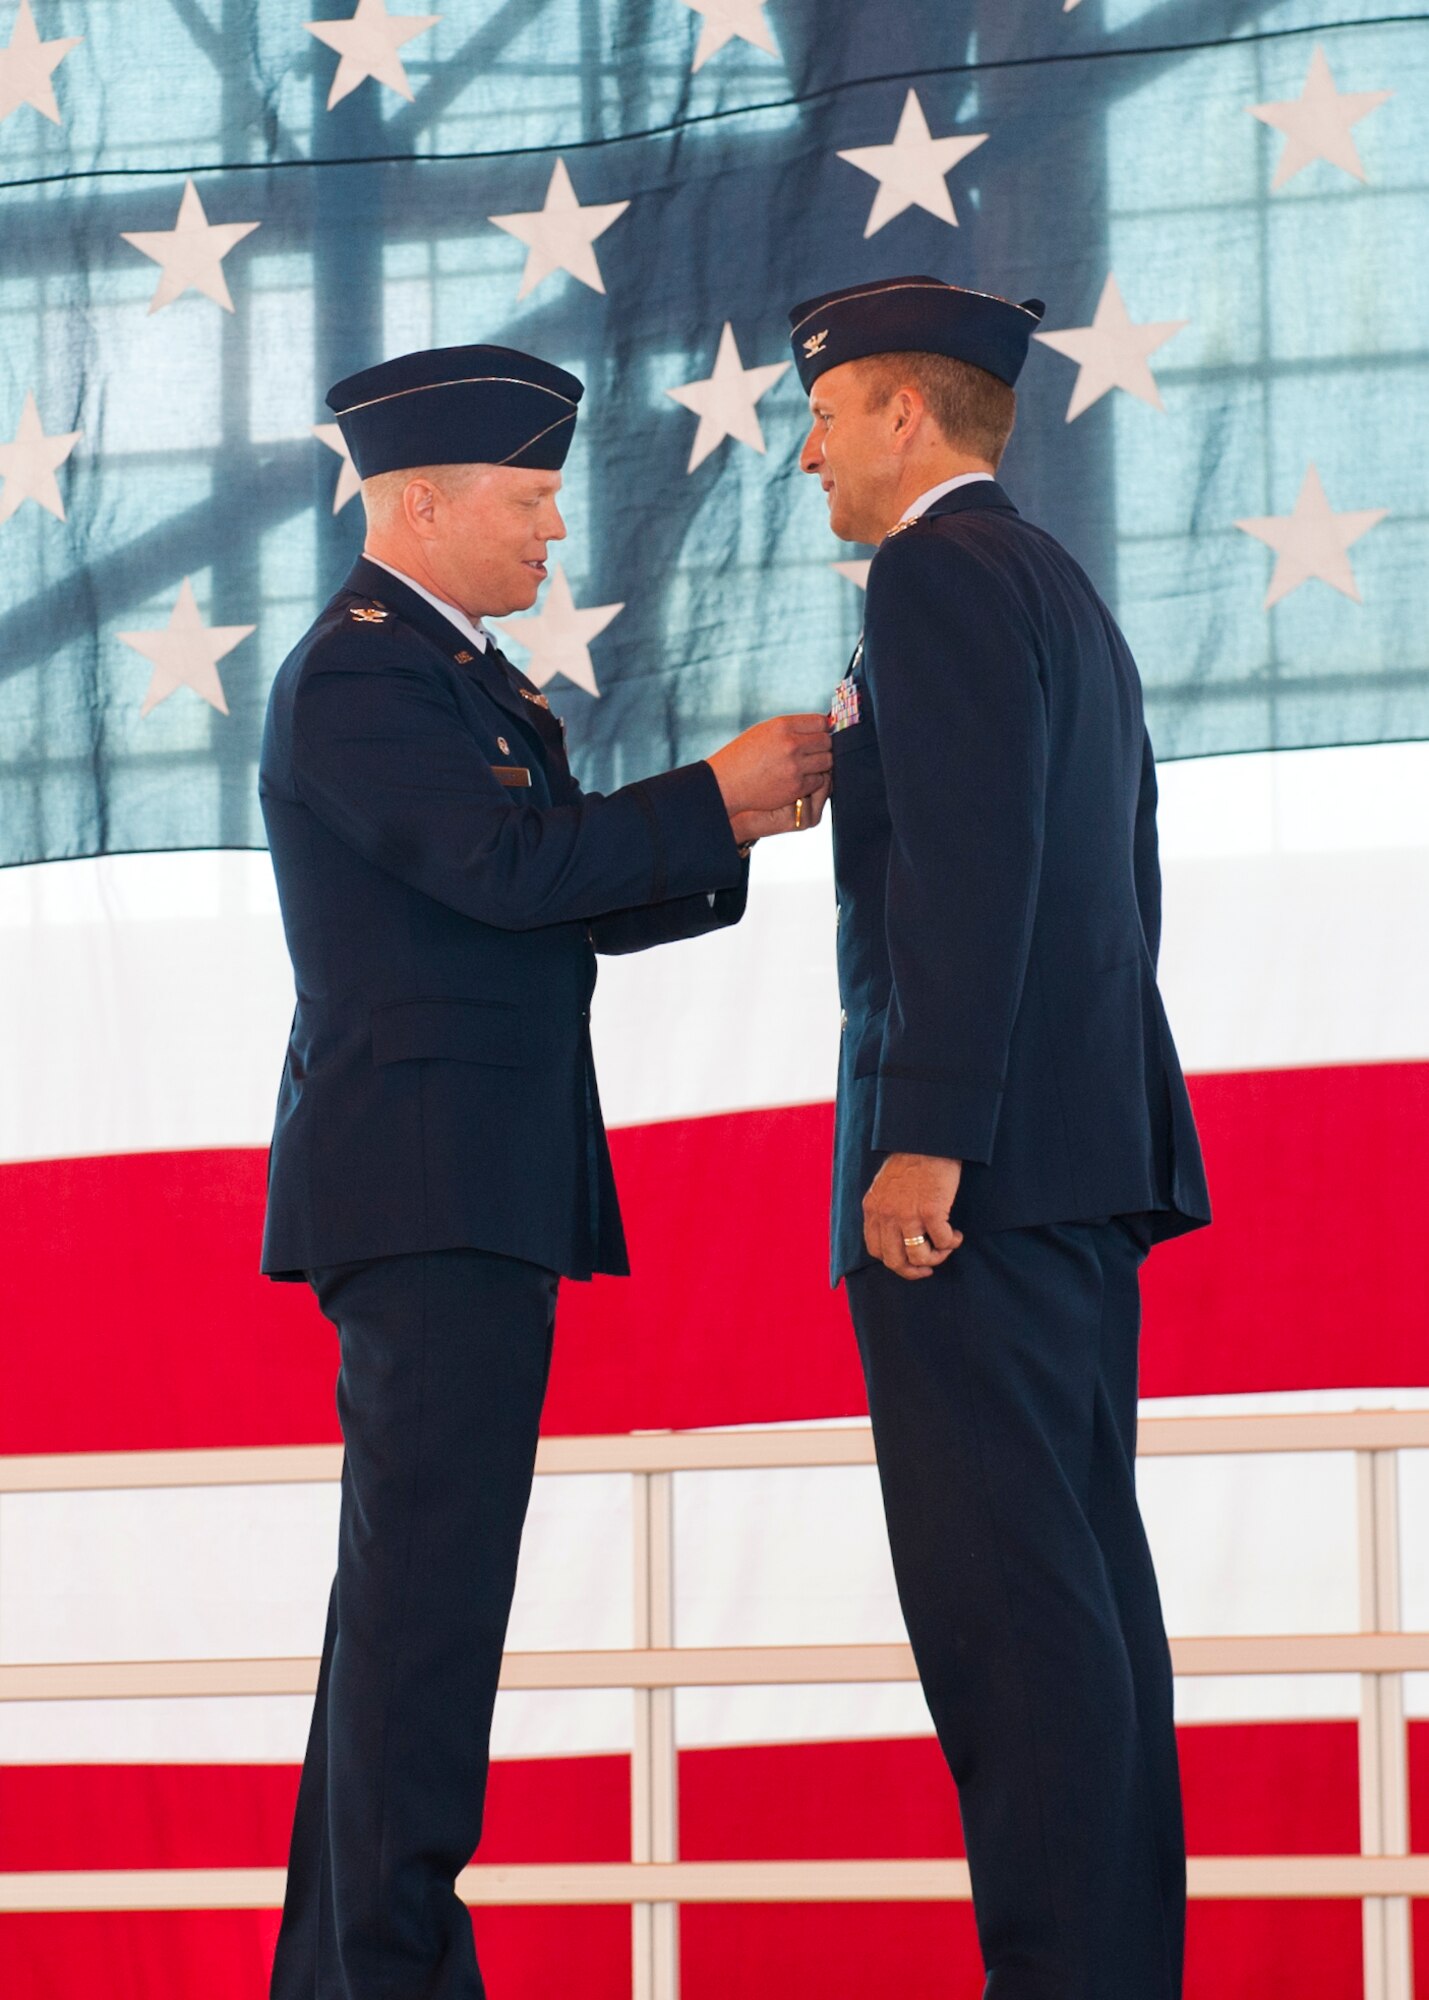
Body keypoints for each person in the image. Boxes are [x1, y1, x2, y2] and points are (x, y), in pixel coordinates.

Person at [258, 340, 831, 2000]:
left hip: (463, 1184)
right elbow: (509, 870)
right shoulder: (366, 674)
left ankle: (346, 1973)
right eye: (527, 501)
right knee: (426, 1620)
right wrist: (703, 796)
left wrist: (738, 817)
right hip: (427, 1191)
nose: (554, 534)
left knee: (408, 1616)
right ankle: (395, 1969)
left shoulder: (463, 677)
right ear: (420, 504)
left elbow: (551, 889)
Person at [789, 276, 1212, 1999]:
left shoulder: (932, 576)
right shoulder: (1048, 581)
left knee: (1008, 1624)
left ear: (905, 415)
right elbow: (1111, 875)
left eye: (823, 417)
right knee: (1081, 1599)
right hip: (1077, 1159)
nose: (803, 454)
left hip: (977, 1186)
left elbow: (969, 873)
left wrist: (928, 1136)